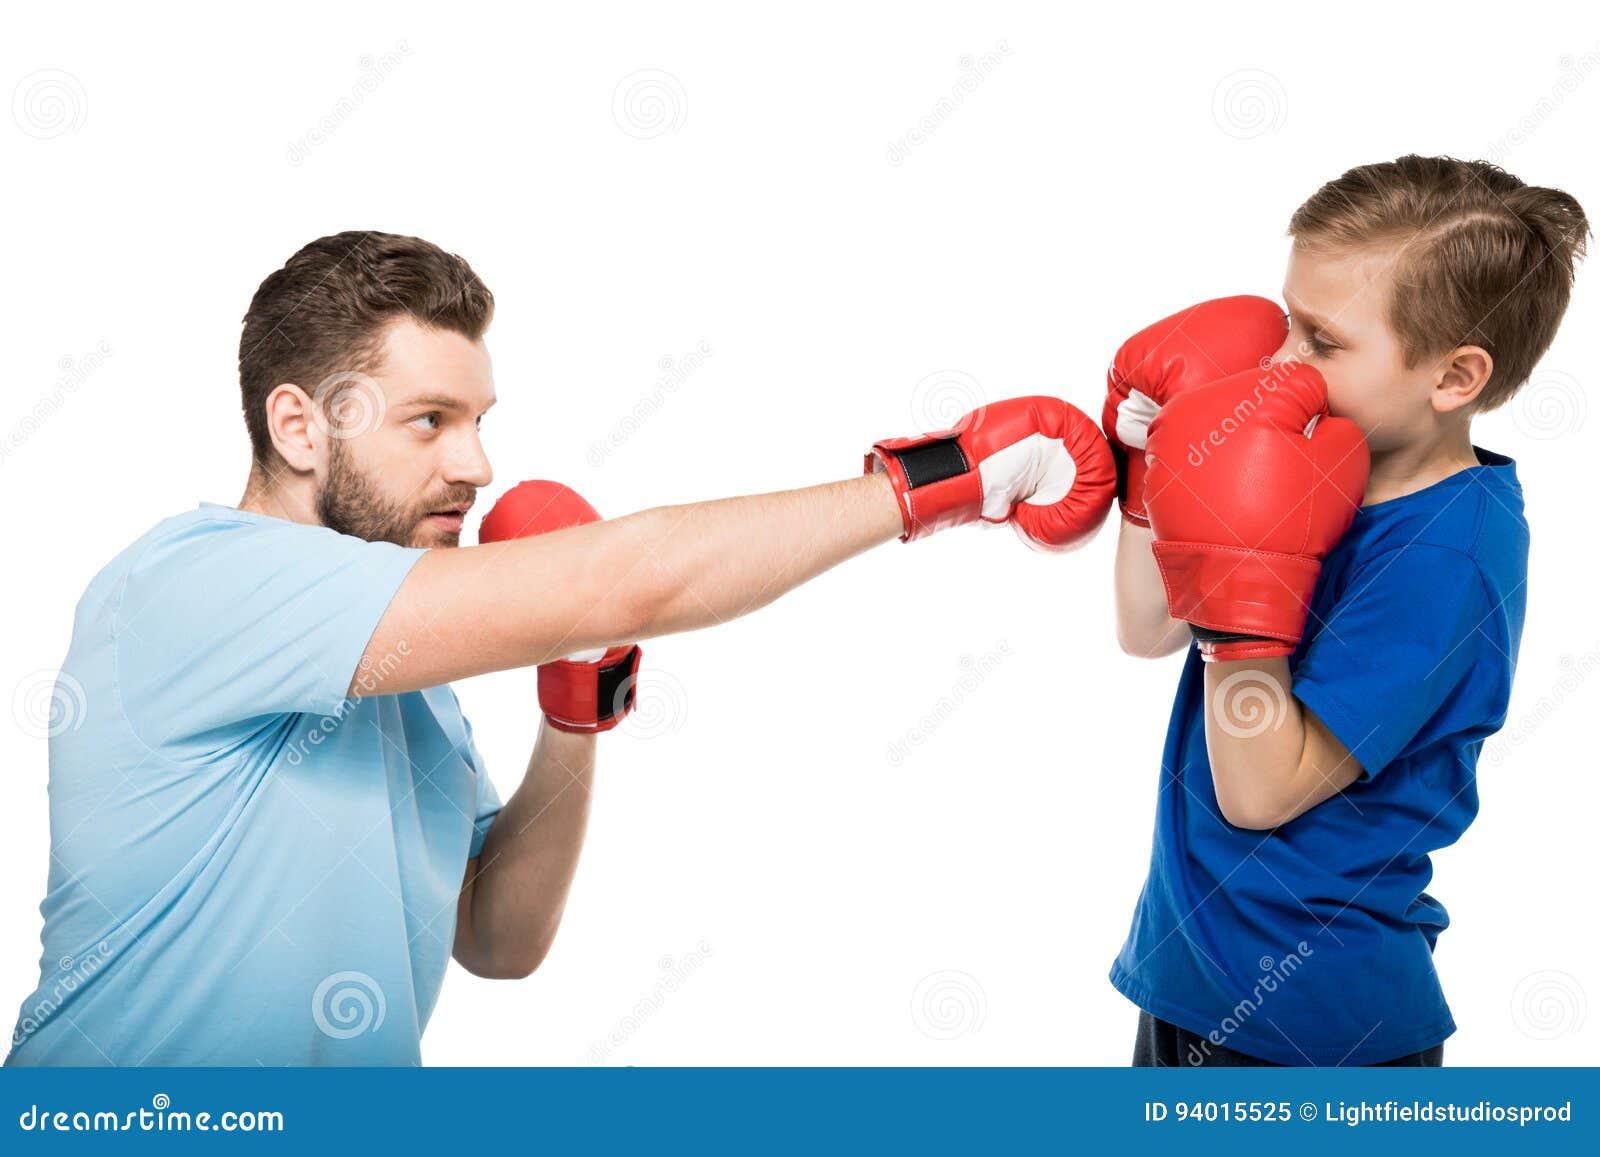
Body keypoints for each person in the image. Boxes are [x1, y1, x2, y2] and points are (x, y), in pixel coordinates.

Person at [6, 231, 1115, 1065]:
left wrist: (574, 710)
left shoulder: (407, 675)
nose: (477, 464)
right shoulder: (194, 579)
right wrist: (943, 476)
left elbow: (499, 934)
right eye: (430, 420)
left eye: (481, 418)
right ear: (299, 426)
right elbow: (626, 573)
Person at [1102, 155, 1589, 1066]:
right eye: (1287, 321)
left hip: (1320, 1025)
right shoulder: (1309, 460)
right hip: (1190, 972)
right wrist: (1154, 474)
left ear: (1455, 378)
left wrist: (1248, 572)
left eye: (1321, 341)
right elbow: (1147, 627)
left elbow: (1257, 793)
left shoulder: (1447, 558)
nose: (1281, 360)